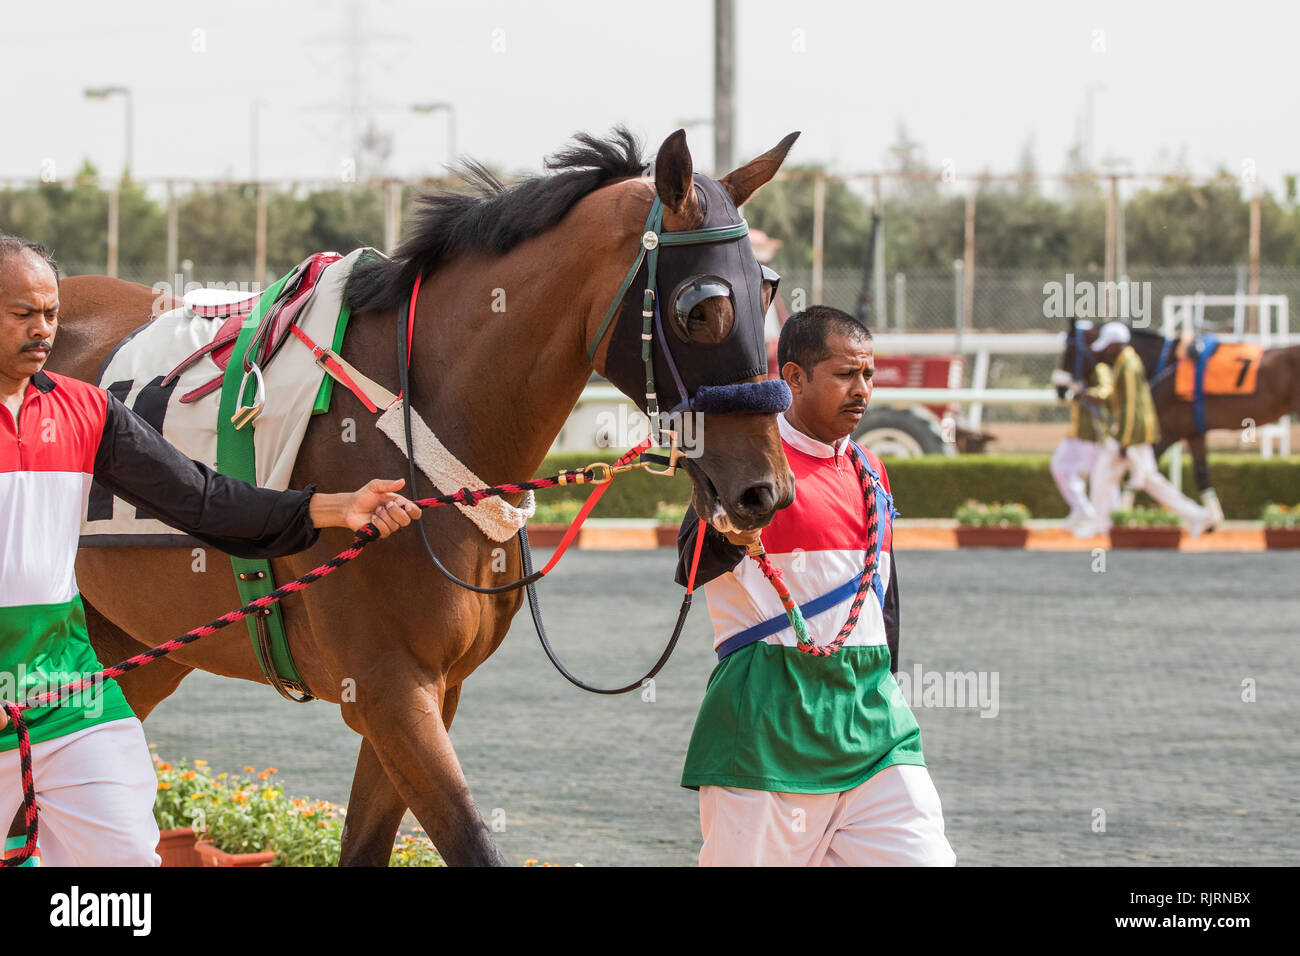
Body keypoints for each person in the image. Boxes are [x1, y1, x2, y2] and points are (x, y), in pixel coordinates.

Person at [0, 235, 422, 866]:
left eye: (51, 314)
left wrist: (332, 507)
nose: (43, 330)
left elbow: (201, 499)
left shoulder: (87, 411)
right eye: (21, 314)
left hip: (69, 698)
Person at [674, 305, 955, 867]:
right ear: (794, 378)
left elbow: (882, 601)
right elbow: (692, 563)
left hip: (874, 725)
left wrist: (885, 688)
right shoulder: (750, 465)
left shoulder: (870, 467)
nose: (862, 390)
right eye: (845, 374)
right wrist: (733, 523)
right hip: (767, 724)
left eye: (868, 375)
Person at [1079, 321, 1209, 538]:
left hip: (1132, 435)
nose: (1106, 351)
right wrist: (1094, 396)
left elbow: (1130, 406)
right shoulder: (1124, 361)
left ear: (1117, 344)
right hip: (1133, 434)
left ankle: (1100, 523)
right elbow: (1119, 400)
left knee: (1107, 475)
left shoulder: (1127, 365)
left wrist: (1125, 441)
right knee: (1139, 480)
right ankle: (1196, 515)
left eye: (1108, 346)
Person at [1050, 320, 1120, 534]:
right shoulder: (1080, 371)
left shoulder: (1099, 368)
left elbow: (1106, 391)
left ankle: (1112, 519)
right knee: (1060, 467)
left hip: (1095, 435)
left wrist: (1085, 393)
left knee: (1101, 478)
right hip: (1077, 433)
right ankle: (1083, 510)